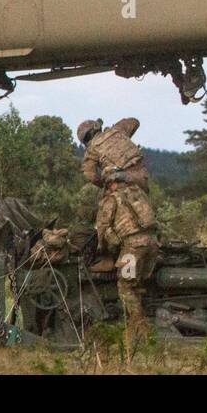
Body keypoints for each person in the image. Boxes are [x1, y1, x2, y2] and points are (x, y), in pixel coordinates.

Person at [78, 117, 159, 361]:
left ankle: (139, 331)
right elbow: (134, 121)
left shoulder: (108, 199)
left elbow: (104, 231)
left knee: (125, 286)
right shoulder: (137, 192)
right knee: (139, 284)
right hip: (153, 243)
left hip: (133, 249)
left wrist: (109, 251)